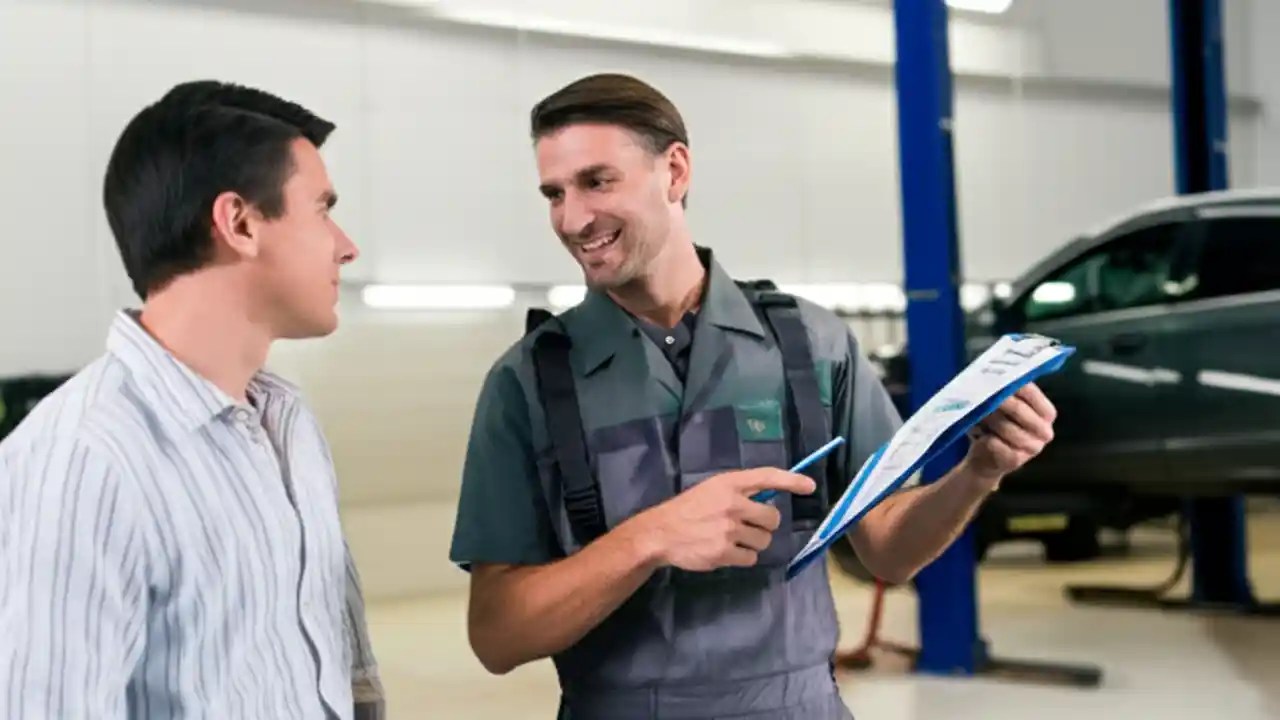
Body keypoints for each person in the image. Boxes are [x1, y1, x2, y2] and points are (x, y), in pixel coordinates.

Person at [450, 73, 1058, 719]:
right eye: (554, 193)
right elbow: (497, 635)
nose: (573, 219)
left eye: (598, 181)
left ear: (675, 170)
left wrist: (978, 472)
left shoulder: (812, 345)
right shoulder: (528, 384)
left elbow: (890, 549)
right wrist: (649, 538)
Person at [0, 81, 384, 719]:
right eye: (322, 209)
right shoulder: (83, 461)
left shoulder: (289, 425)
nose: (345, 245)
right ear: (238, 223)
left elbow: (345, 668)